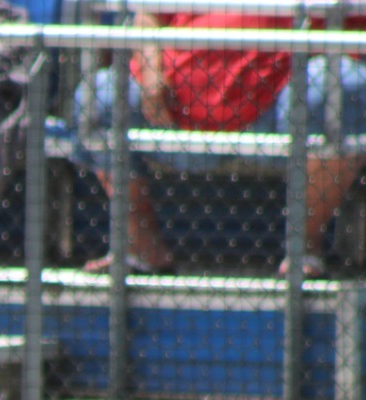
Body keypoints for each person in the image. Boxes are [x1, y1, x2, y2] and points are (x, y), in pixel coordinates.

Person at [69, 11, 366, 278]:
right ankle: (141, 247)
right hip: (170, 108)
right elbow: (148, 14)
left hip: (275, 109)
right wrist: (150, 72)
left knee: (343, 85)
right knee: (100, 96)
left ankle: (304, 249)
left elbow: (353, 26)